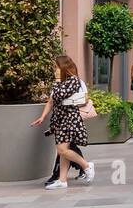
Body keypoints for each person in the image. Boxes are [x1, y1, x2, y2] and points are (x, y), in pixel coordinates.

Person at [31, 53, 93, 190]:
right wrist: (42, 117)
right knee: (63, 150)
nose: (55, 70)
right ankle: (62, 180)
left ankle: (86, 166)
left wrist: (57, 81)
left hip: (69, 119)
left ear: (64, 67)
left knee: (62, 149)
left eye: (56, 67)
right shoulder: (61, 83)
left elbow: (59, 95)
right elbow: (51, 101)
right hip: (59, 120)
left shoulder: (73, 81)